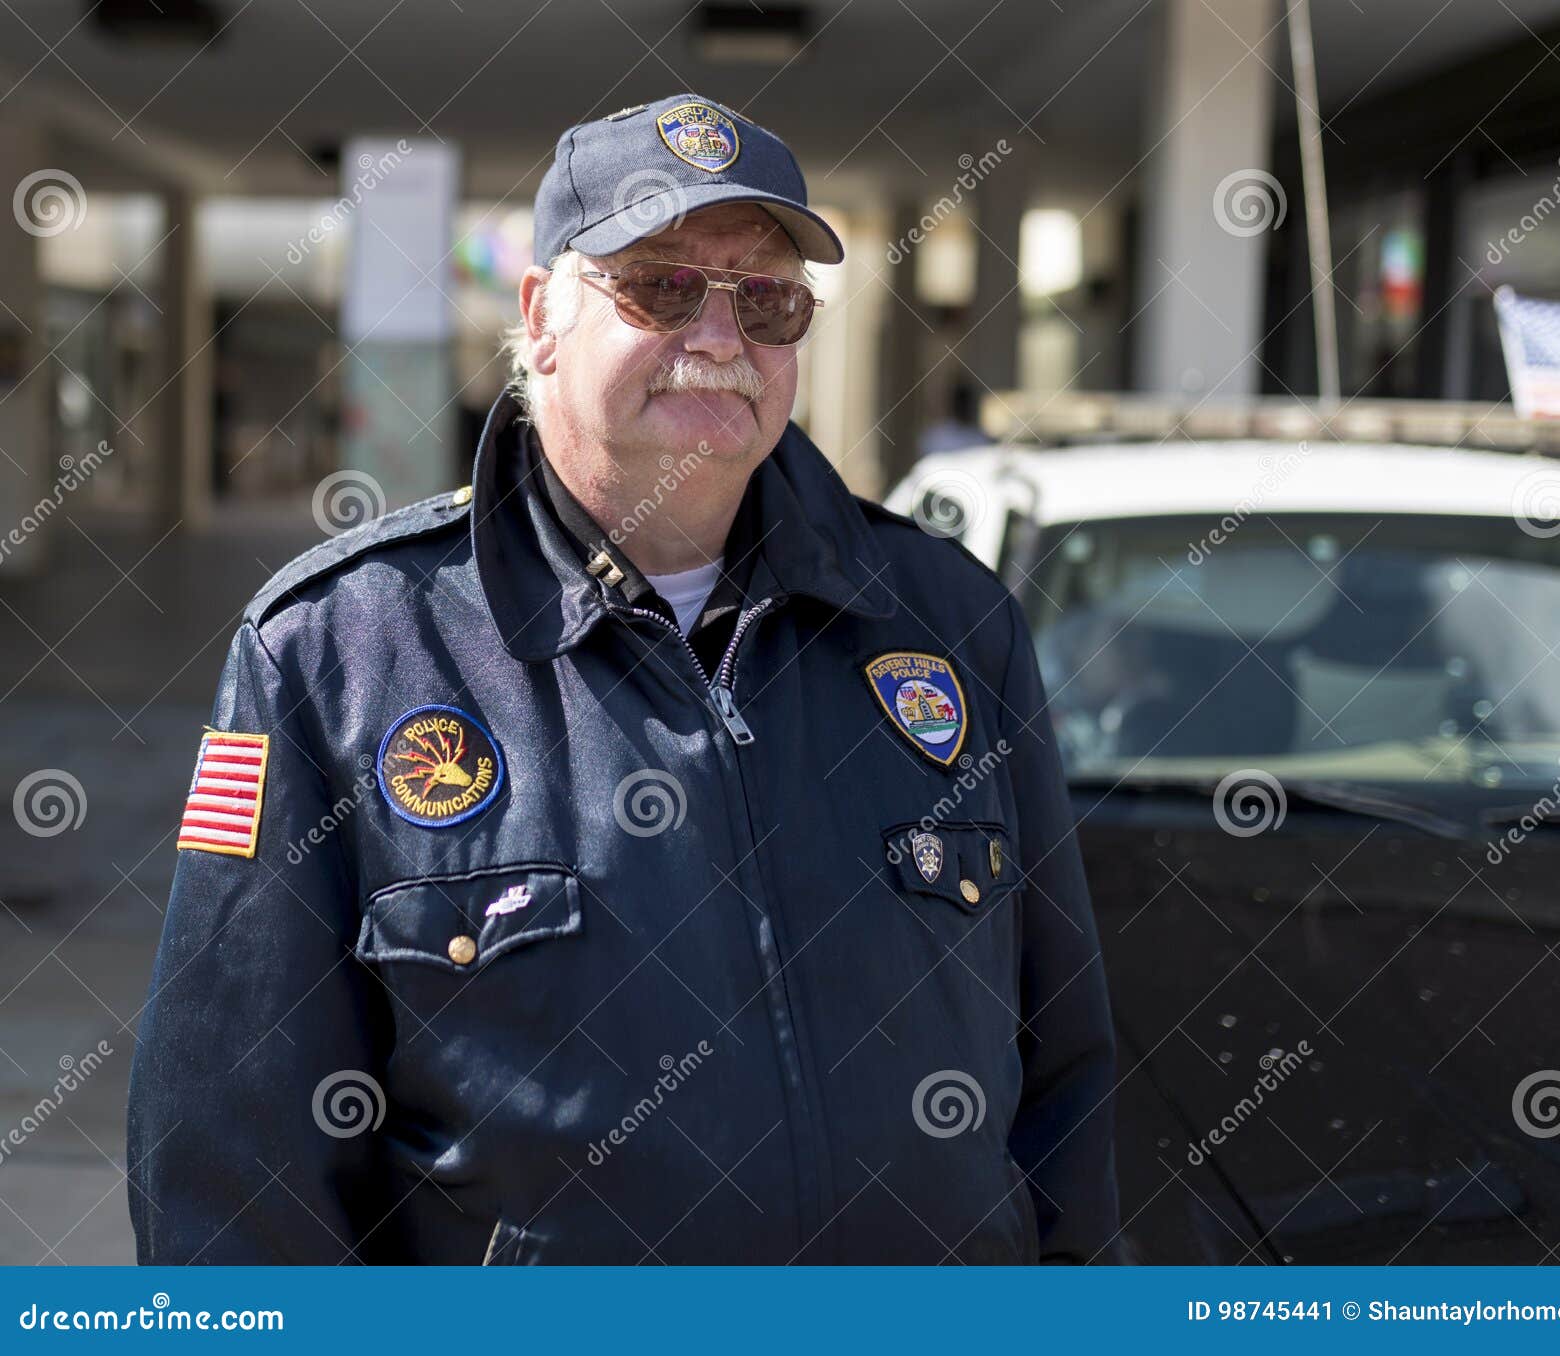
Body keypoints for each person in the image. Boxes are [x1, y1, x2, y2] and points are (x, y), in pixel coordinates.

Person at [127, 92, 1117, 1265]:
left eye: (766, 299)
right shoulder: (340, 650)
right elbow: (229, 1164)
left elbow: (1068, 1078)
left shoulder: (951, 622)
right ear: (541, 314)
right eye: (659, 287)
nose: (718, 338)